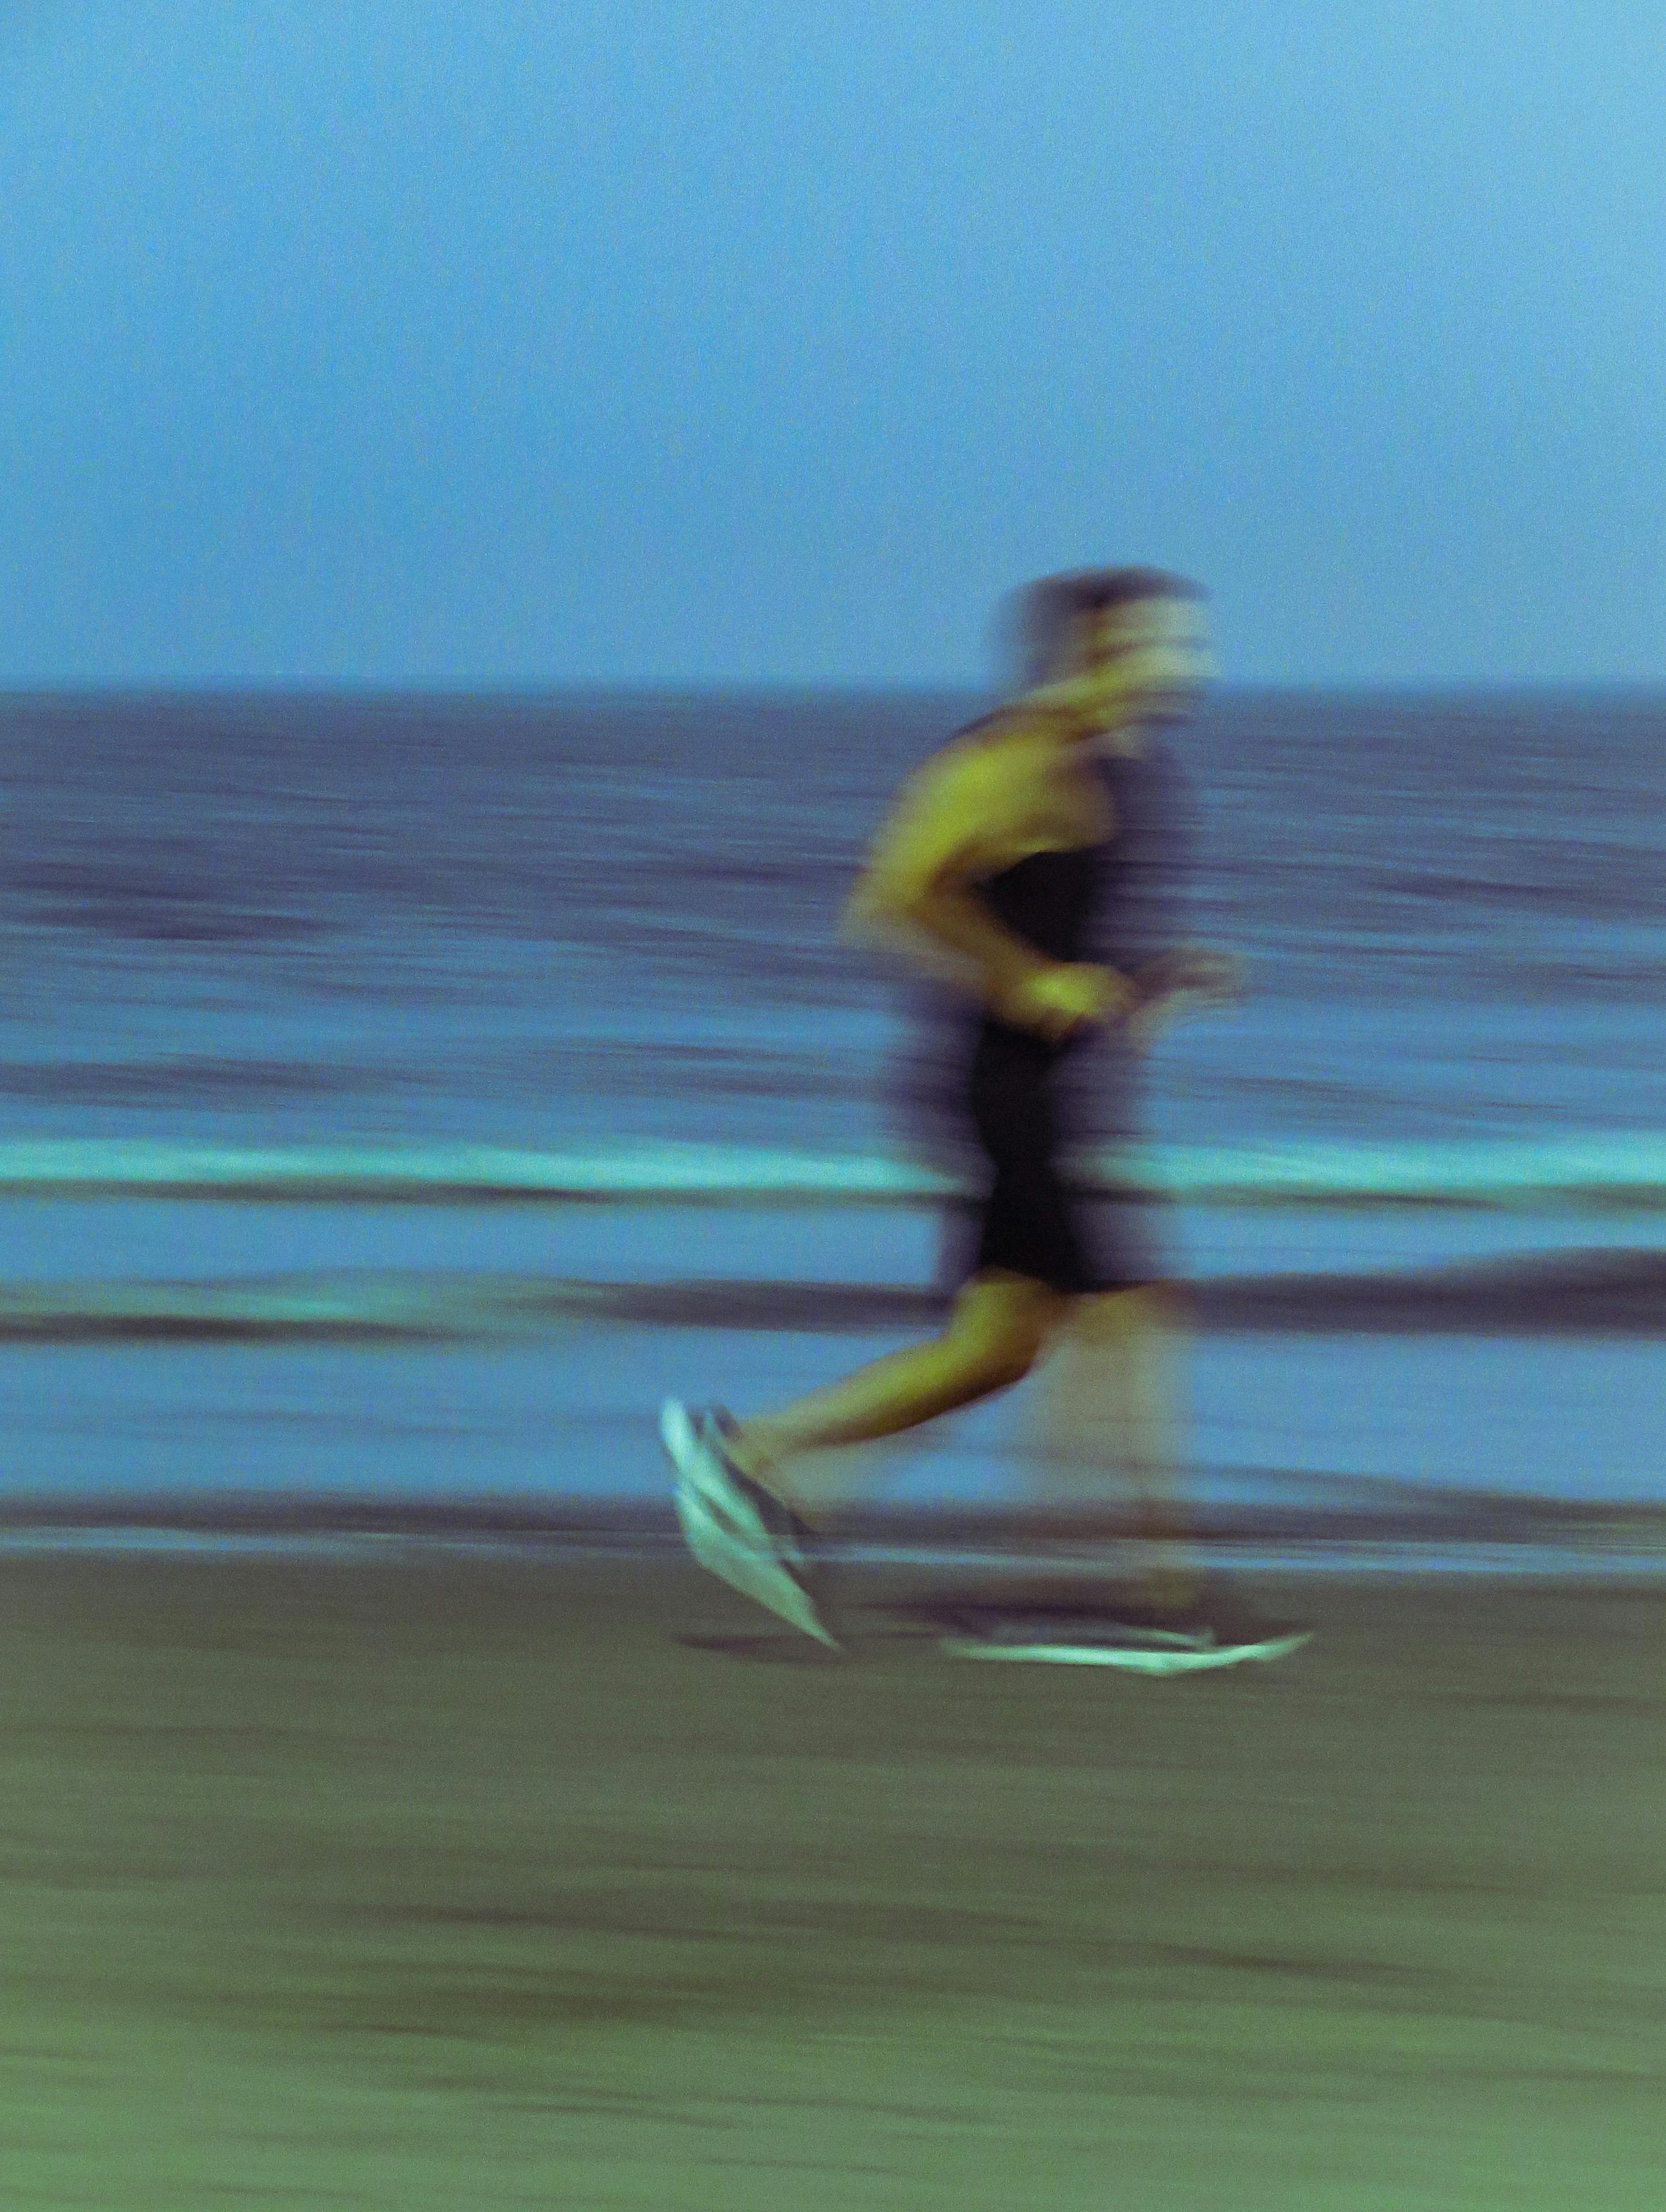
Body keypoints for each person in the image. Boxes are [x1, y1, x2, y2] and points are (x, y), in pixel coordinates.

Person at [661, 568, 1237, 1651]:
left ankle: (758, 1467)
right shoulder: (1007, 760)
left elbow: (1061, 941)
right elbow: (891, 899)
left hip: (1055, 1094)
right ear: (1094, 648)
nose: (1191, 663)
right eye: (1168, 643)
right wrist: (1027, 980)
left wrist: (1153, 979)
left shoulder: (1122, 774)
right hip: (1001, 1096)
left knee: (1002, 1346)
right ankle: (1140, 1592)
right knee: (1128, 1314)